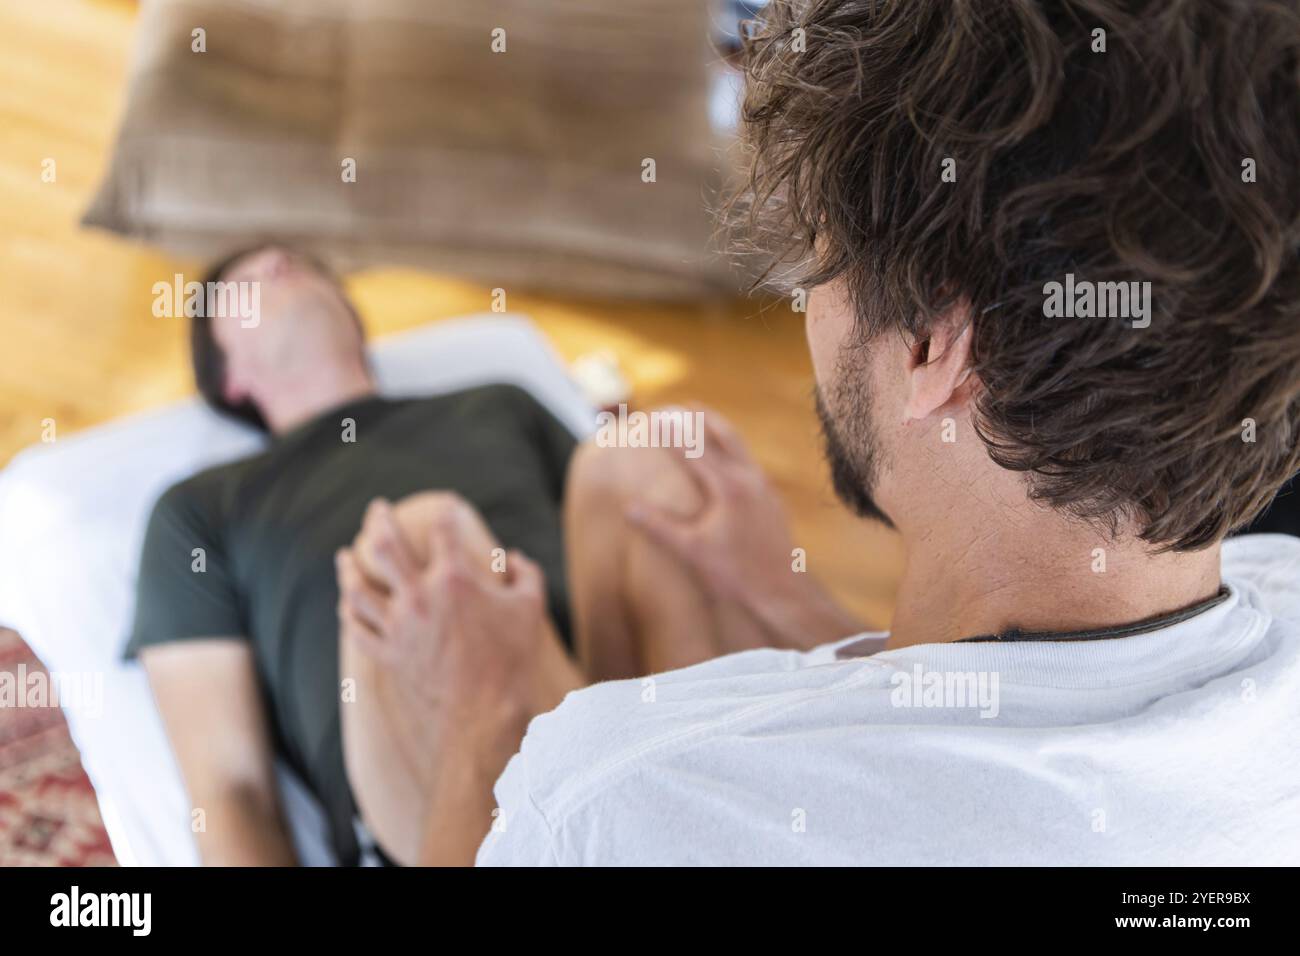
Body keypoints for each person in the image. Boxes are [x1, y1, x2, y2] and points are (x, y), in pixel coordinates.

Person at [339, 0, 1300, 864]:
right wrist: (808, 622)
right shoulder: (1279, 589)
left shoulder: (606, 808)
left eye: (820, 260)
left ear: (932, 344)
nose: (810, 303)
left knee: (427, 549)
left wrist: (484, 707)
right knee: (639, 473)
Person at [129, 245, 858, 865]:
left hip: (612, 690)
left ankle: (738, 798)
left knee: (660, 444)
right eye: (250, 282)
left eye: (302, 266)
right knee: (424, 537)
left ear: (354, 322)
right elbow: (229, 785)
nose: (281, 260)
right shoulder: (201, 507)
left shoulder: (494, 401)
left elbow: (613, 532)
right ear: (230, 378)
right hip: (443, 769)